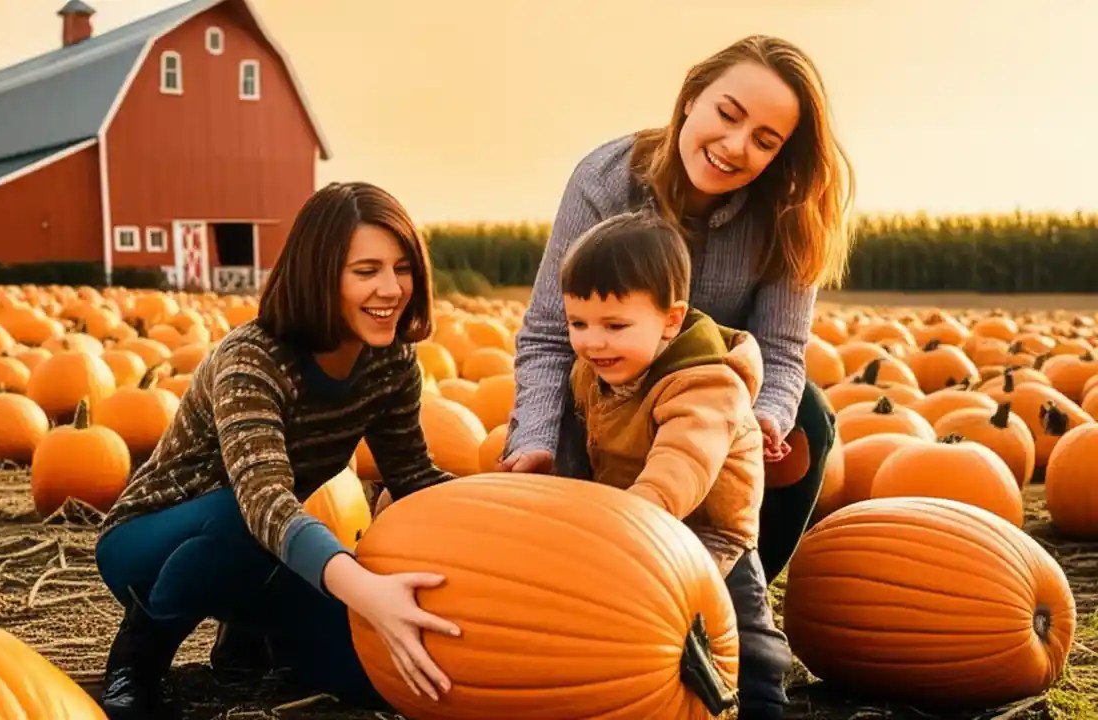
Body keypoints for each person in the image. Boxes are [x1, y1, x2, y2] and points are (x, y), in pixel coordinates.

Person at [93, 181, 462, 720]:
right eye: (367, 271)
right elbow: (263, 500)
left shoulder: (392, 364)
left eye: (402, 268)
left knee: (366, 677)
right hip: (151, 541)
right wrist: (363, 587)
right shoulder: (253, 360)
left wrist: (509, 502)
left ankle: (248, 628)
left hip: (265, 548)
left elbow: (412, 476)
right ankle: (139, 653)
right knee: (234, 516)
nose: (391, 288)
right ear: (318, 273)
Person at [500, 34, 852, 583]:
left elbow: (781, 352)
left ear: (781, 153)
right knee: (564, 425)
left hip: (715, 394)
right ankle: (581, 564)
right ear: (692, 97)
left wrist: (761, 421)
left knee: (808, 419)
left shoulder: (788, 215)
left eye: (764, 140)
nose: (735, 146)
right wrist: (536, 441)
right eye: (727, 114)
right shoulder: (606, 181)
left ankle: (728, 583)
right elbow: (548, 333)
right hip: (610, 388)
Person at [559, 209, 790, 719]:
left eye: (614, 325)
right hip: (636, 527)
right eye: (578, 323)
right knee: (634, 630)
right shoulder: (594, 369)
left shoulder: (705, 384)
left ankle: (765, 704)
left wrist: (636, 517)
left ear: (669, 319)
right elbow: (581, 440)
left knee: (743, 632)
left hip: (710, 531)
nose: (593, 341)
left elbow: (682, 462)